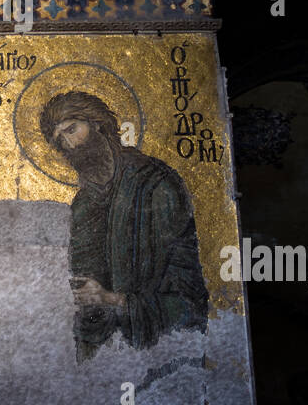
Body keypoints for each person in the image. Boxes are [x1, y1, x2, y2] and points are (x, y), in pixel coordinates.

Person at [39, 91, 209, 360]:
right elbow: (85, 285)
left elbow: (190, 302)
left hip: (159, 350)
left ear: (99, 124)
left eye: (72, 129)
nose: (69, 145)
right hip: (105, 351)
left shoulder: (155, 185)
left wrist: (114, 300)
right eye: (60, 140)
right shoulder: (83, 205)